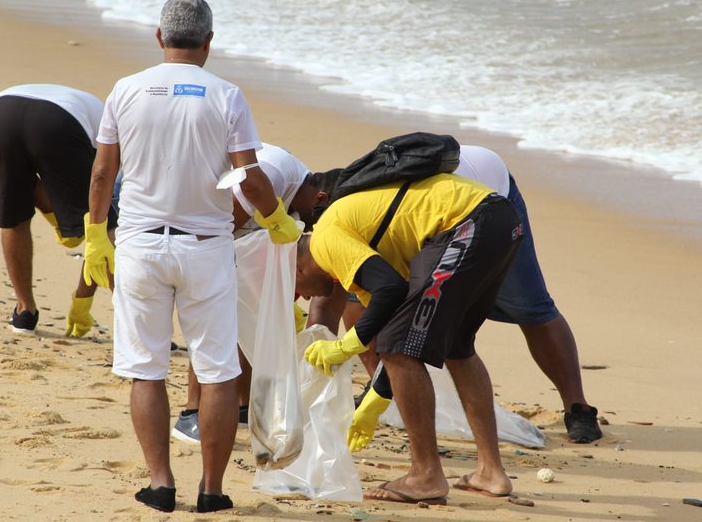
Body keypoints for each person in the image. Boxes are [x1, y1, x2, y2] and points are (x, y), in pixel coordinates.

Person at [83, 0, 299, 514]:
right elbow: (248, 176)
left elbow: (101, 173)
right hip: (205, 247)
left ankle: (160, 484)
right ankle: (211, 489)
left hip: (139, 243)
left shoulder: (126, 89)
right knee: (219, 370)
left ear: (159, 38)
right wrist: (276, 220)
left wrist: (95, 234)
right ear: (208, 42)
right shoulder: (226, 93)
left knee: (147, 369)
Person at [308, 145, 603, 444]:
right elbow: (394, 310)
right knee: (377, 307)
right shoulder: (361, 216)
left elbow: (396, 296)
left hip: (485, 200)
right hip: (446, 222)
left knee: (530, 306)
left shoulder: (340, 224)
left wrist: (346, 346)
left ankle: (577, 408)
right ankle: (387, 388)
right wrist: (380, 391)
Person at [296, 163, 523, 503]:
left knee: (400, 348)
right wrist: (377, 396)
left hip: (468, 222)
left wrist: (344, 347)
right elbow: (393, 318)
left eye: (295, 287)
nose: (303, 296)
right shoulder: (360, 257)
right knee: (457, 346)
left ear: (299, 265)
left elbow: (388, 296)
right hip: (500, 219)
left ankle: (426, 475)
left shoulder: (326, 238)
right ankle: (490, 471)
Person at [172, 143, 321, 444]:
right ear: (320, 197)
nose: (311, 225)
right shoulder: (275, 174)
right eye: (316, 218)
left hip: (218, 235)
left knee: (245, 311)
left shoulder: (290, 190)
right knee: (214, 318)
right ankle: (192, 412)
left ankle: (242, 405)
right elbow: (218, 231)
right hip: (192, 234)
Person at [0, 83, 117, 337]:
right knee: (106, 223)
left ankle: (24, 312)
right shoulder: (111, 126)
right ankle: (135, 325)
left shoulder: (93, 107)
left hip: (1, 111)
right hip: (60, 120)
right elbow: (99, 226)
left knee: (12, 215)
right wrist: (82, 299)